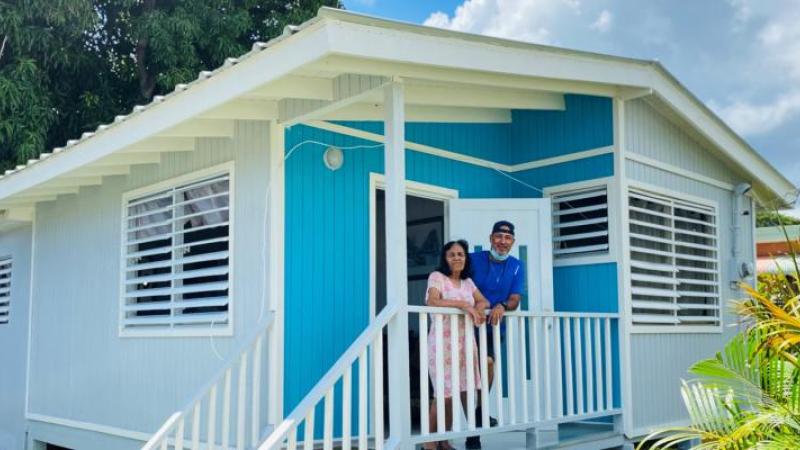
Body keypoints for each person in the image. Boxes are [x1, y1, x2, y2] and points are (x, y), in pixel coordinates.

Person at [424, 240, 491, 450]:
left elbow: (484, 301)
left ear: (466, 258)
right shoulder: (437, 278)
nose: (456, 258)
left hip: (464, 344)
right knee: (442, 394)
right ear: (445, 258)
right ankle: (428, 443)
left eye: (460, 254)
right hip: (442, 344)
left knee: (456, 391)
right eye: (452, 254)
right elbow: (432, 301)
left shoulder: (468, 282)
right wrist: (464, 305)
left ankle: (444, 441)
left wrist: (478, 307)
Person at [465, 220, 525, 450]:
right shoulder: (472, 259)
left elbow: (515, 299)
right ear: (491, 238)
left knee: (487, 364)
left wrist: (501, 305)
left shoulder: (517, 265)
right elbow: (455, 282)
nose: (502, 241)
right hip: (464, 325)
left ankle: (479, 415)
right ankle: (470, 435)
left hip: (490, 329)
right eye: (499, 236)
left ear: (512, 242)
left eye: (507, 238)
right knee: (463, 379)